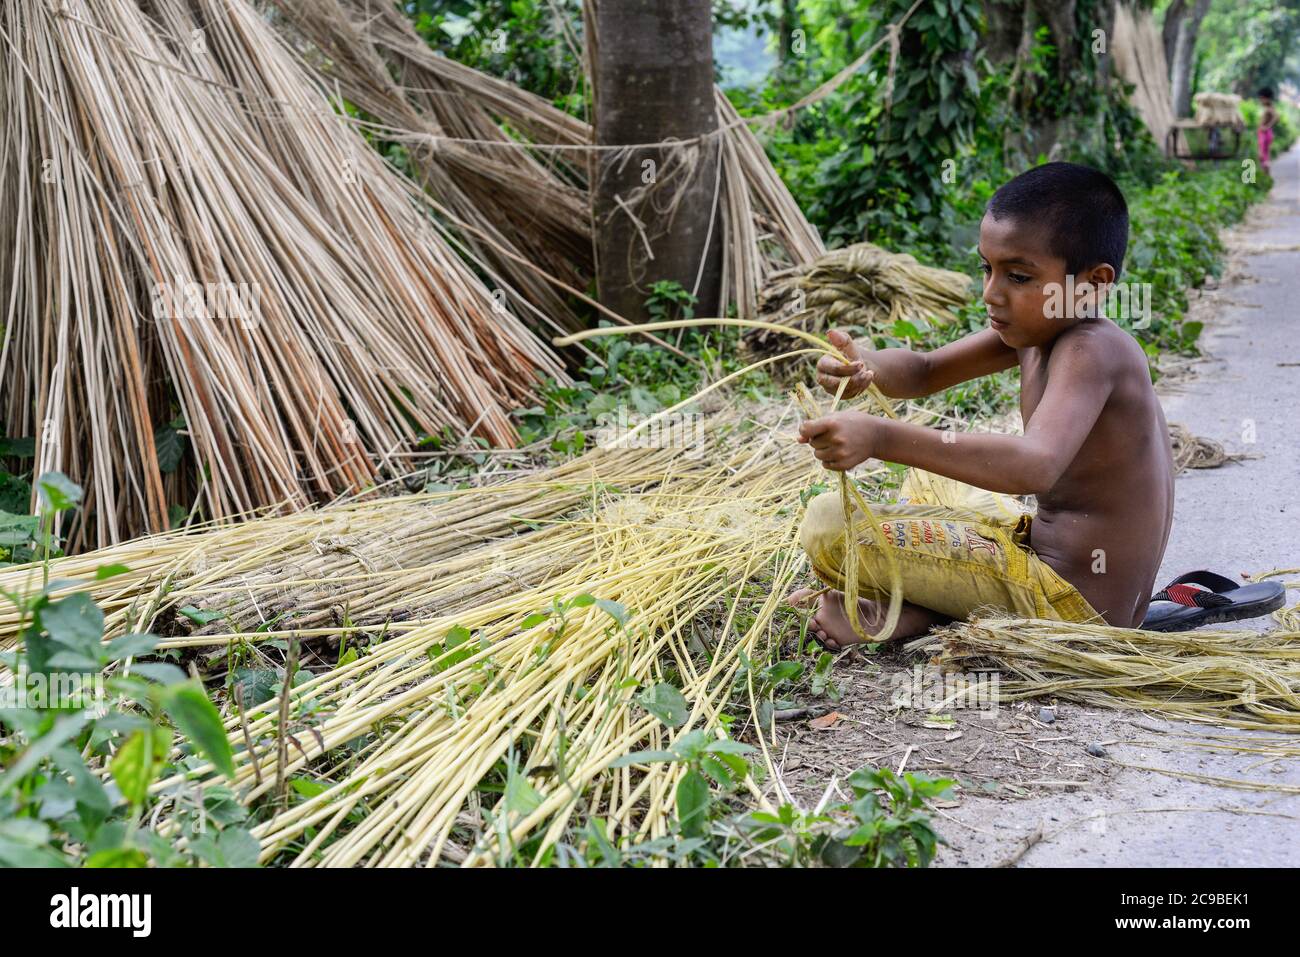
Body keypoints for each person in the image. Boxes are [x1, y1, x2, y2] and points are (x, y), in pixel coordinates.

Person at [788, 162, 1176, 649]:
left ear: (1093, 283)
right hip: (1041, 564)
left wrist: (881, 437)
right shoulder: (1039, 330)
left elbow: (1034, 467)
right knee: (934, 478)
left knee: (829, 527)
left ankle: (915, 610)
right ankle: (926, 601)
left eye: (1017, 275)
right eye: (986, 269)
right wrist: (864, 365)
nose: (991, 293)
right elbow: (925, 370)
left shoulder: (1091, 350)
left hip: (1073, 610)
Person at [1258, 88, 1277, 175]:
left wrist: (1267, 127)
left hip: (1265, 134)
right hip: (1263, 133)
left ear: (1266, 98)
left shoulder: (1269, 108)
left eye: (1262, 98)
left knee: (1263, 156)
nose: (1261, 100)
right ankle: (1266, 177)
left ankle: (1265, 176)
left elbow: (1276, 117)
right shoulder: (1267, 107)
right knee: (1264, 156)